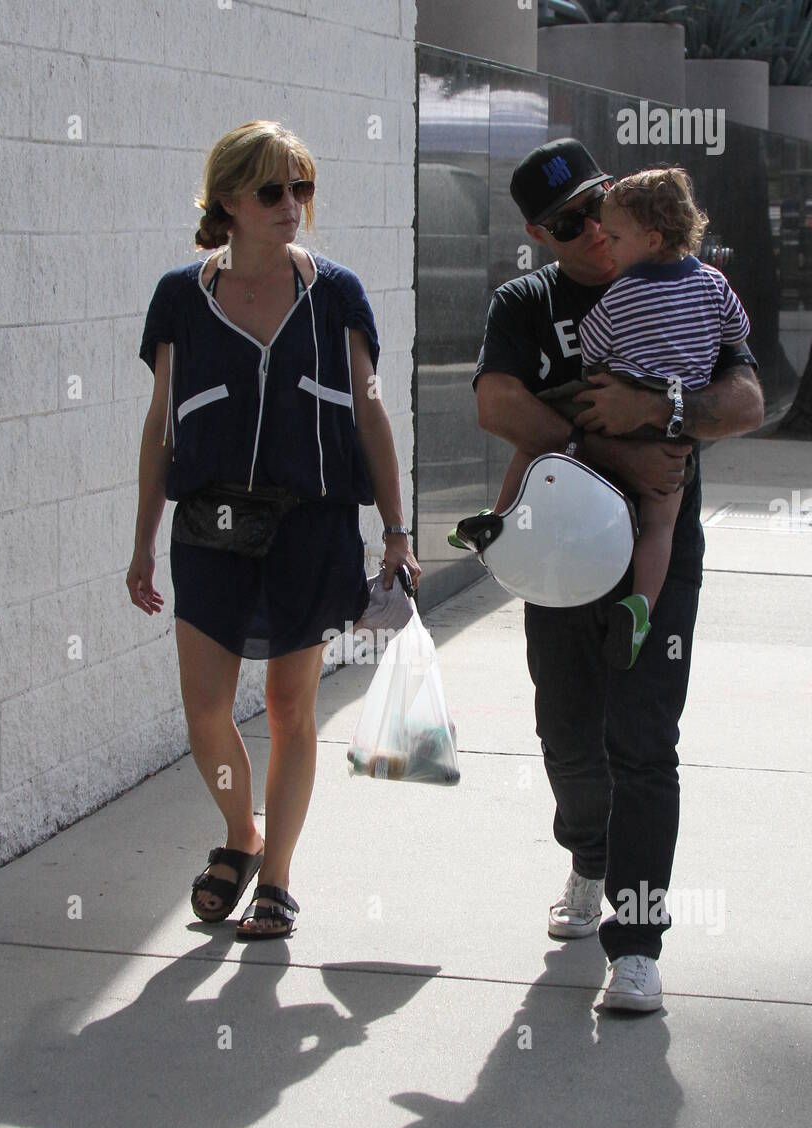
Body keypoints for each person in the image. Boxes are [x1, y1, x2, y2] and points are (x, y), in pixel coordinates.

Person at [473, 138, 763, 1011]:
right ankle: (588, 860)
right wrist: (590, 441)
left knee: (642, 742)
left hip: (655, 554)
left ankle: (636, 944)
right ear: (541, 232)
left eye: (601, 207)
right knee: (568, 735)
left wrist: (659, 408)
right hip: (556, 556)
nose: (594, 231)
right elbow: (493, 400)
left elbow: (745, 401)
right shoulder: (528, 301)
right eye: (571, 223)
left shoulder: (686, 285)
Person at [127, 120, 420, 939]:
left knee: (291, 708)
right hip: (208, 525)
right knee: (206, 714)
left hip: (312, 525)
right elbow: (160, 425)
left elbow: (370, 416)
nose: (292, 205)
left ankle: (278, 878)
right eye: (271, 191)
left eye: (302, 187)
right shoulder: (181, 297)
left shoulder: (337, 293)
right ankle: (241, 833)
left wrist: (397, 532)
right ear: (227, 201)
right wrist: (142, 540)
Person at [578, 167, 751, 670]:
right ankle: (642, 605)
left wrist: (598, 374)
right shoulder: (713, 284)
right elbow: (737, 329)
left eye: (614, 238)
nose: (605, 246)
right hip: (674, 419)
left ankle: (501, 516)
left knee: (558, 444)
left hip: (619, 397)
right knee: (660, 525)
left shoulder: (622, 293)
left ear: (650, 239)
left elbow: (592, 344)